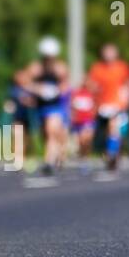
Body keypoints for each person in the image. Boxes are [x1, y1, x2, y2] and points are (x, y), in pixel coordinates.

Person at [12, 36, 69, 174]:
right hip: (40, 107)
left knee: (52, 130)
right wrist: (37, 89)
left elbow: (65, 85)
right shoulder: (35, 68)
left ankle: (49, 162)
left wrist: (56, 91)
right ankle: (52, 156)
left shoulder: (60, 68)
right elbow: (22, 79)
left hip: (55, 106)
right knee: (45, 133)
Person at [87, 43, 129, 170]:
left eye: (111, 52)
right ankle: (111, 153)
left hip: (118, 105)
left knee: (114, 128)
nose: (108, 55)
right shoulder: (97, 68)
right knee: (107, 133)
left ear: (116, 54)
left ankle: (111, 154)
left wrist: (128, 94)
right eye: (106, 52)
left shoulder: (122, 67)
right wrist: (95, 92)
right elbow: (90, 84)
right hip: (102, 105)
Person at [68, 83, 98, 162]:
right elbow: (72, 106)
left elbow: (96, 105)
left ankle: (86, 154)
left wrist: (93, 114)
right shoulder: (76, 94)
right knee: (81, 140)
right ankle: (82, 154)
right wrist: (72, 116)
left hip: (88, 120)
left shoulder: (92, 94)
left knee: (87, 138)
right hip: (78, 121)